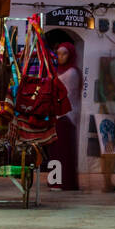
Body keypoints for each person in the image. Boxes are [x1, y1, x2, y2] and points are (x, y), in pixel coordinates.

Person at [46, 41, 81, 191]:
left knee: (63, 151)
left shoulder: (71, 73)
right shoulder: (58, 71)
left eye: (64, 53)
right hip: (58, 116)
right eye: (58, 53)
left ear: (70, 55)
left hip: (66, 117)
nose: (60, 57)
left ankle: (62, 182)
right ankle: (56, 180)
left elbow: (64, 94)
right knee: (56, 151)